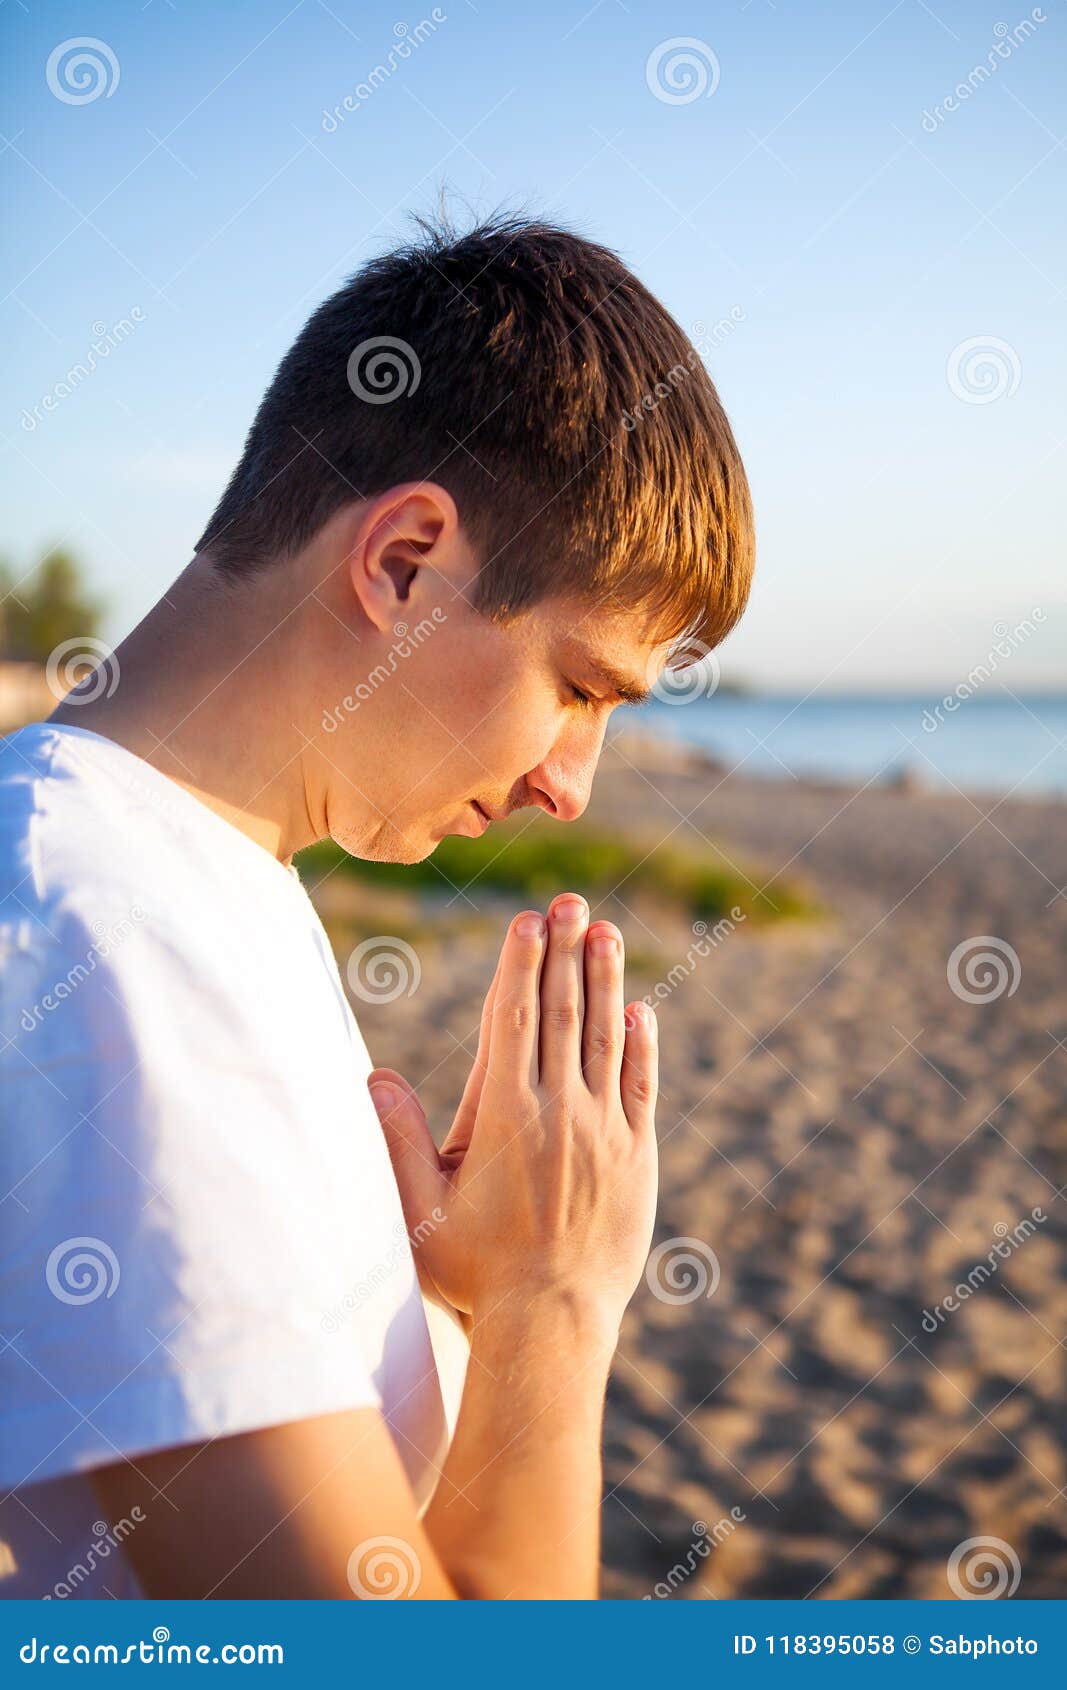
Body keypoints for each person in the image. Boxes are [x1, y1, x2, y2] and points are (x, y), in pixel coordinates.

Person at [0, 215, 753, 1600]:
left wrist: (454, 1296)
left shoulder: (199, 878)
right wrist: (553, 1306)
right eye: (581, 688)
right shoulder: (106, 936)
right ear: (403, 559)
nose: (569, 784)